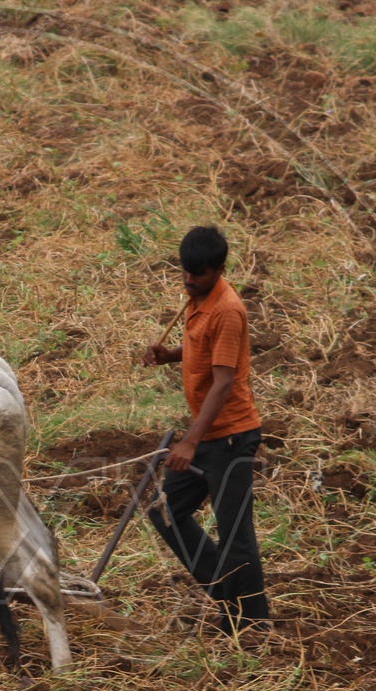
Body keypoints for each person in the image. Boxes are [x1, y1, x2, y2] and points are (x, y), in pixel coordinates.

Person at [141, 225, 270, 635]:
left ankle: (252, 623)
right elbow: (203, 349)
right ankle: (224, 592)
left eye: (198, 274)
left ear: (219, 268)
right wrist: (171, 355)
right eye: (185, 272)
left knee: (235, 532)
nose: (189, 280)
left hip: (229, 437)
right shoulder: (198, 299)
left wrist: (189, 441)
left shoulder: (227, 310)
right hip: (209, 436)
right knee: (165, 510)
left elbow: (224, 382)